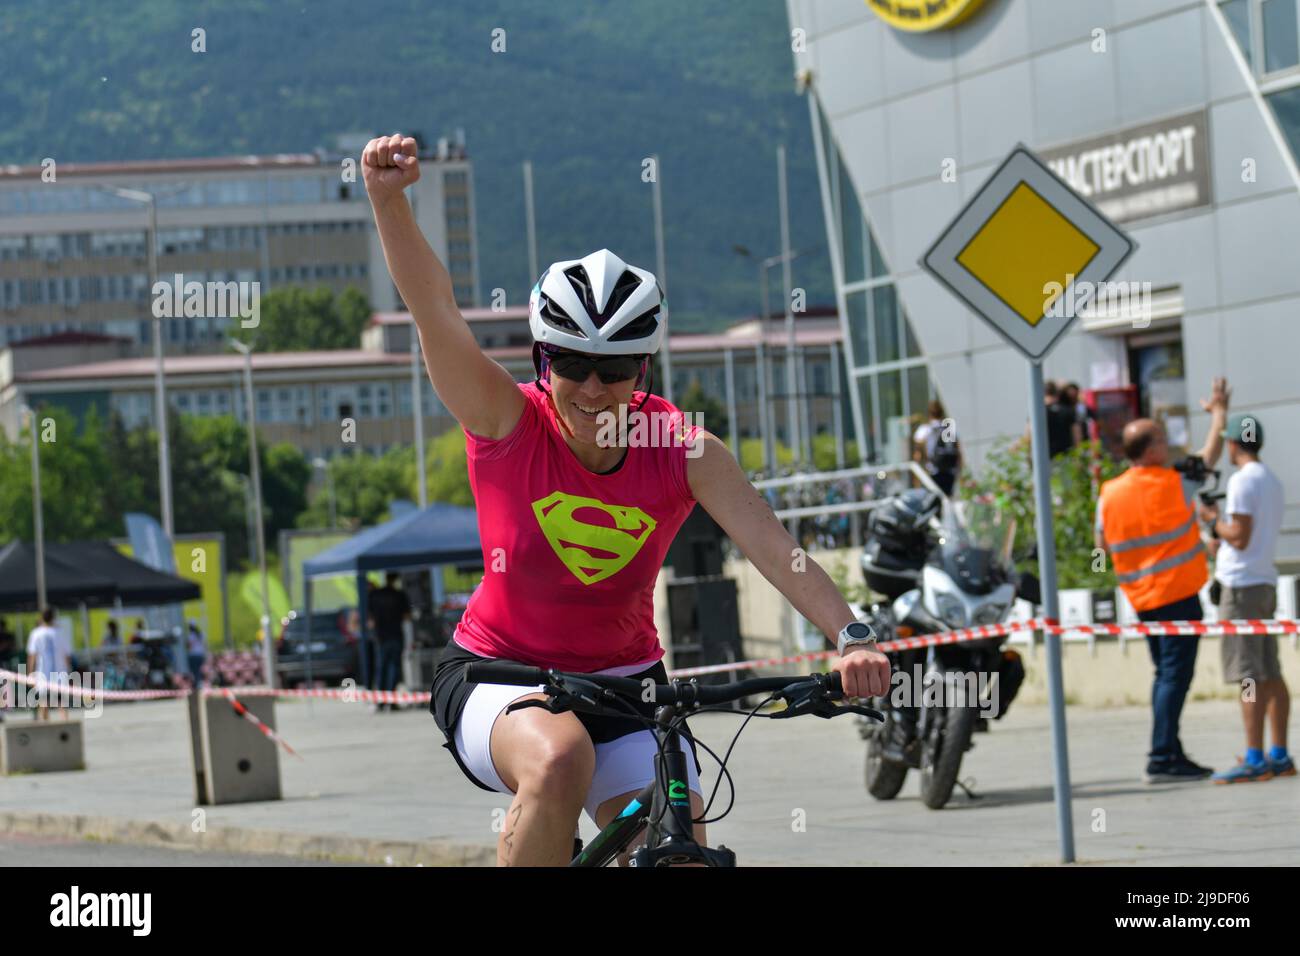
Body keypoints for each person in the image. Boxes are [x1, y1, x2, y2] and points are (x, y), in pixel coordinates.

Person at [363, 133, 890, 866]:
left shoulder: (683, 447)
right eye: (572, 362)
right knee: (557, 759)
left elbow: (775, 547)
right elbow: (435, 311)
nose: (590, 387)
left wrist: (851, 635)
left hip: (628, 688)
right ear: (542, 360)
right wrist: (389, 200)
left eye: (611, 368)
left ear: (642, 367)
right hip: (500, 674)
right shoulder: (504, 421)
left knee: (675, 848)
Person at [1096, 377, 1229, 783]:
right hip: (1177, 595)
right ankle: (1162, 756)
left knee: (1164, 674)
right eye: (1161, 438)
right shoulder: (1173, 481)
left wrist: (1111, 573)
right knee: (1175, 676)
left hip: (1141, 599)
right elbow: (1209, 455)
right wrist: (1219, 412)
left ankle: (1168, 751)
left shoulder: (1109, 493)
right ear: (1150, 449)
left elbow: (1100, 543)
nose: (1167, 443)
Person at [1199, 414, 1293, 783]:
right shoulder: (1271, 479)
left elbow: (1238, 535)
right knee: (1270, 670)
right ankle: (1279, 753)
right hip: (1264, 581)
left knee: (1248, 675)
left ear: (1234, 444)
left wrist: (1211, 519)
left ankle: (1254, 757)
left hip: (1240, 589)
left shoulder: (1241, 481)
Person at [367, 572, 412, 712]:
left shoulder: (375, 596)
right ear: (396, 580)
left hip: (381, 637)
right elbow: (407, 616)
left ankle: (380, 701)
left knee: (381, 668)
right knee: (394, 668)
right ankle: (392, 701)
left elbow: (370, 619)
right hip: (396, 635)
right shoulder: (399, 595)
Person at [25, 608, 68, 721]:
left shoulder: (36, 633)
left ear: (41, 618)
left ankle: (46, 728)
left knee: (43, 704)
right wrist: (68, 671)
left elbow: (32, 656)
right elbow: (66, 655)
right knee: (61, 704)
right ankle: (66, 727)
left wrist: (30, 673)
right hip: (59, 673)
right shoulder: (59, 632)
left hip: (43, 674)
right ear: (53, 618)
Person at [912, 399, 961, 496]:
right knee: (947, 498)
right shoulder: (948, 429)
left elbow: (917, 454)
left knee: (933, 500)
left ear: (929, 413)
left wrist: (916, 478)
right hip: (949, 471)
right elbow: (958, 451)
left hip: (933, 470)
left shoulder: (924, 429)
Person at [186, 620, 208, 692]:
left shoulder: (190, 636)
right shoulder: (200, 634)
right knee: (199, 670)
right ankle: (199, 682)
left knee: (195, 671)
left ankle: (198, 683)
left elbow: (189, 646)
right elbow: (204, 644)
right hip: (200, 654)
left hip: (193, 655)